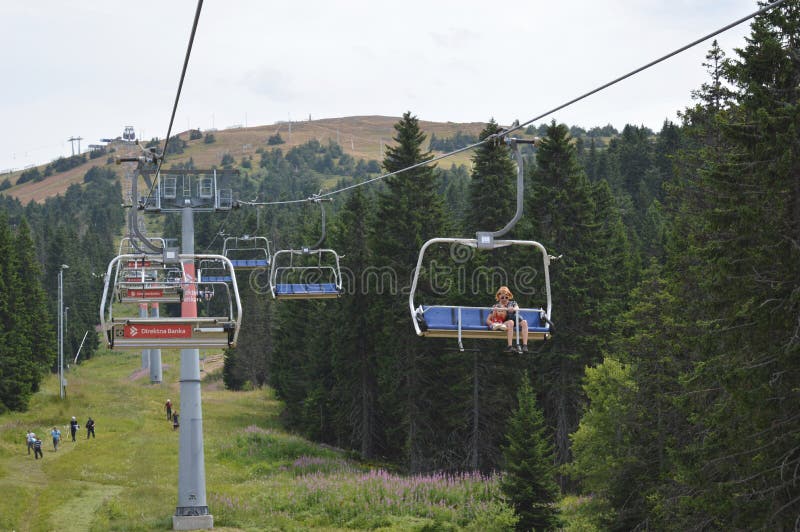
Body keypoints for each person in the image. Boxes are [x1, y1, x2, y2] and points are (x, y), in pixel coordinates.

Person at [487, 286, 529, 353]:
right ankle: (510, 346)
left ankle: (525, 345)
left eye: (506, 297)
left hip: (515, 320)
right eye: (502, 297)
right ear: (499, 297)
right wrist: (493, 323)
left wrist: (513, 309)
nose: (504, 299)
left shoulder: (512, 303)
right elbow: (489, 318)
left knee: (524, 322)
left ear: (509, 297)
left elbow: (517, 308)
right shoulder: (496, 306)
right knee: (511, 322)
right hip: (505, 322)